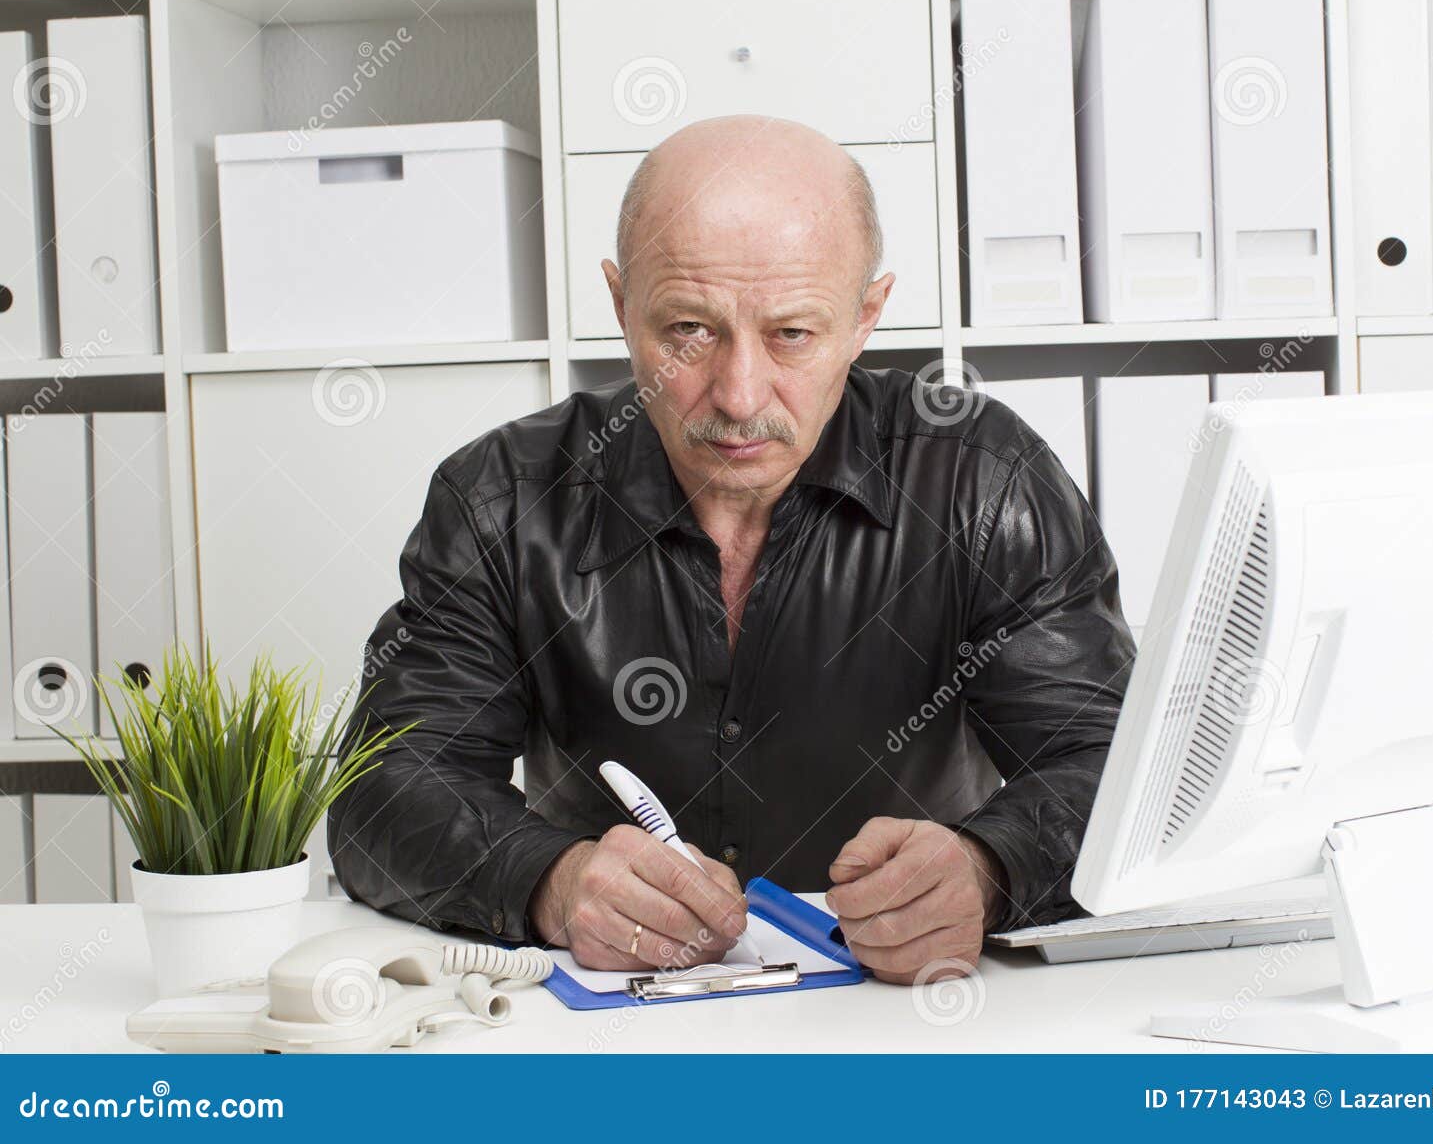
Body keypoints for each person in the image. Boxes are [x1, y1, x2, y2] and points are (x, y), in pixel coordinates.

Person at [330, 115, 1134, 985]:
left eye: (792, 333)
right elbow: (387, 785)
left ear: (866, 317)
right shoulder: (501, 495)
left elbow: (1116, 768)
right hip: (609, 1031)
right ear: (620, 305)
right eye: (688, 330)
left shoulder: (984, 482)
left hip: (899, 1025)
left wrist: (988, 868)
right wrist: (550, 881)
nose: (740, 394)